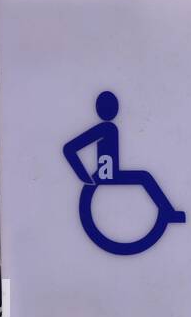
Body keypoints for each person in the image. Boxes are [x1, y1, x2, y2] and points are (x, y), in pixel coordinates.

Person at [63, 90, 184, 223]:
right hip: (109, 174)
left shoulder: (108, 127)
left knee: (145, 177)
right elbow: (69, 149)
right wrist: (83, 176)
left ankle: (167, 212)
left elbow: (70, 149)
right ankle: (168, 212)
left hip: (107, 173)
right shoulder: (106, 128)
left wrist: (84, 175)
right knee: (145, 177)